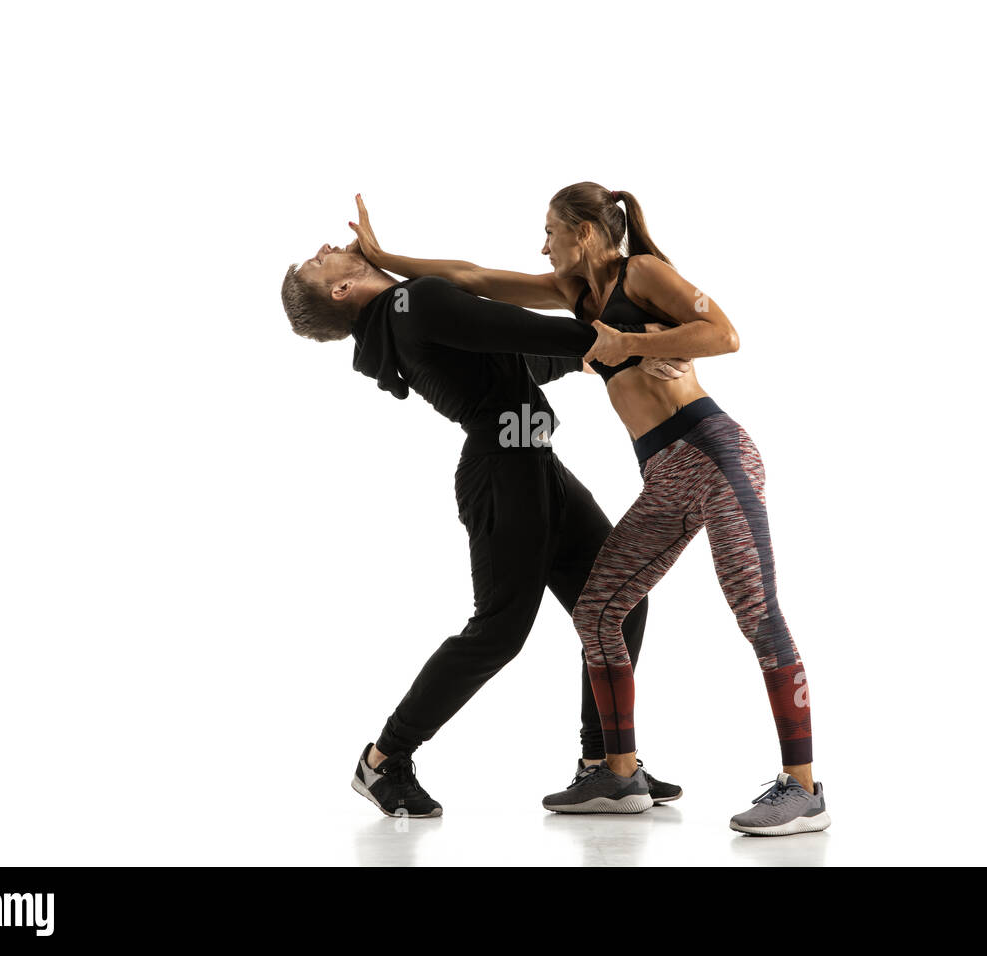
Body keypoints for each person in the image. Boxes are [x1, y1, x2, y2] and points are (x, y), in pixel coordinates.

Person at [347, 185, 830, 835]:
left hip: (712, 452)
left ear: (586, 233)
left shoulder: (642, 273)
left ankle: (801, 788)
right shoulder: (572, 294)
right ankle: (615, 770)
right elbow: (473, 278)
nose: (542, 245)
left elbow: (725, 333)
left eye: (551, 231)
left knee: (755, 611)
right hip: (662, 474)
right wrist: (386, 255)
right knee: (602, 610)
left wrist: (641, 345)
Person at [279, 233, 685, 818]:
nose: (327, 246)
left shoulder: (408, 317)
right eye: (321, 262)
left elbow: (528, 360)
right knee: (499, 629)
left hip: (536, 462)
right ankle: (383, 760)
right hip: (503, 474)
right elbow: (527, 332)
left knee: (618, 602)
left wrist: (611, 351)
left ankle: (603, 765)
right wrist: (633, 340)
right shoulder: (414, 303)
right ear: (342, 290)